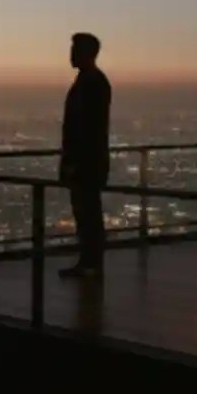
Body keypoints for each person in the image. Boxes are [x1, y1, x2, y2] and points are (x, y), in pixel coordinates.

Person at [59, 33, 111, 278]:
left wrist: (75, 162)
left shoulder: (91, 83)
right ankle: (89, 263)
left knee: (88, 214)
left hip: (86, 163)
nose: (70, 54)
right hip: (87, 162)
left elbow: (87, 128)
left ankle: (91, 263)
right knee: (86, 214)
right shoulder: (91, 81)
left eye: (74, 49)